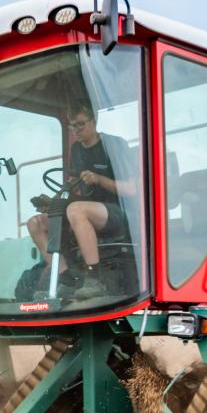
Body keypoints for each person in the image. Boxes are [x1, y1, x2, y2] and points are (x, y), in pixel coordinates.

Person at [26, 103, 136, 299]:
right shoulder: (76, 149)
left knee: (76, 210)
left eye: (80, 125)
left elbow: (131, 188)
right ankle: (64, 276)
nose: (76, 130)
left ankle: (94, 278)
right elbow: (71, 182)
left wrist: (99, 179)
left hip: (118, 214)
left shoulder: (114, 145)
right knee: (36, 223)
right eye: (72, 126)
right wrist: (53, 202)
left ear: (94, 121)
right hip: (83, 211)